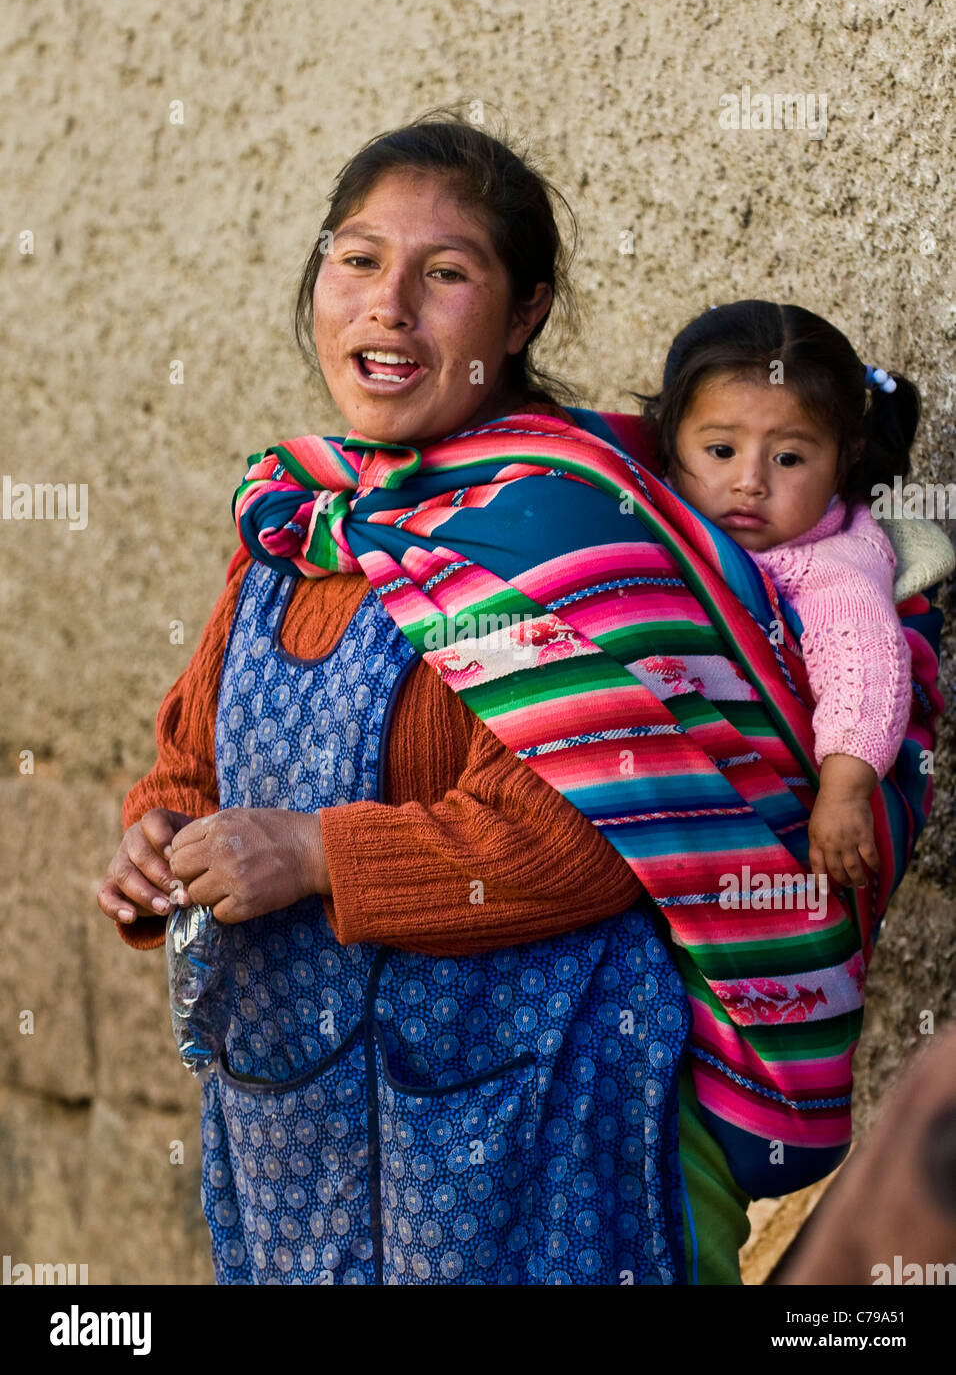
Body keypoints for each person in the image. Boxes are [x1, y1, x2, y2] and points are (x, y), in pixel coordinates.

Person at [96, 114, 944, 1286]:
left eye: (445, 273)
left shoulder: (562, 526)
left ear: (524, 312)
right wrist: (155, 841)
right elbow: (194, 762)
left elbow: (601, 834)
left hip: (536, 1119)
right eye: (356, 258)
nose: (387, 304)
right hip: (301, 1123)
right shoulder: (296, 517)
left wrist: (314, 853)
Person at [635, 300, 954, 893]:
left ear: (845, 458)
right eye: (721, 451)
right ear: (670, 436)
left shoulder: (835, 568)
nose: (751, 480)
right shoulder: (654, 504)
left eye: (788, 458)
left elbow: (866, 670)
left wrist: (843, 794)